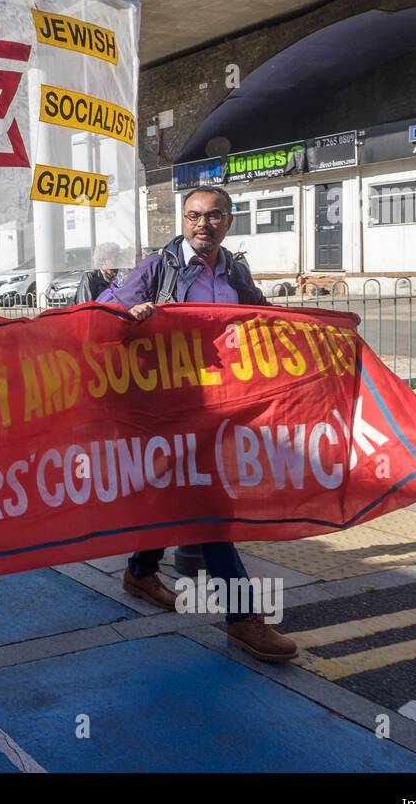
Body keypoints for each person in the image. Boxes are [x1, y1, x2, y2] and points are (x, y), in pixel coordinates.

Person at [98, 184, 297, 664]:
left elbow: (261, 316)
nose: (201, 225)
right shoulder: (158, 266)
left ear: (228, 221)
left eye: (212, 217)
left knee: (178, 492)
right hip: (166, 404)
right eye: (192, 216)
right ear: (182, 221)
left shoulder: (235, 269)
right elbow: (104, 315)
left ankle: (140, 571)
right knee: (207, 502)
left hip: (218, 402)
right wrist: (133, 315)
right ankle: (243, 617)